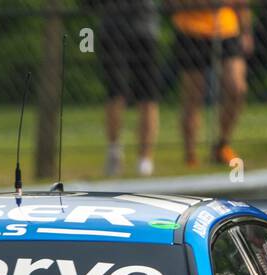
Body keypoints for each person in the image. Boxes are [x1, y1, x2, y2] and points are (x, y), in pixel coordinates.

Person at [170, 0, 253, 168]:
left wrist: (246, 31)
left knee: (237, 88)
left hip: (226, 29)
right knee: (194, 95)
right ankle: (190, 155)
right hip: (192, 30)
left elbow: (241, 3)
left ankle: (222, 145)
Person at [93, 0, 163, 177]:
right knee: (115, 93)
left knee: (148, 96)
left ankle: (145, 160)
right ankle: (114, 151)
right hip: (113, 30)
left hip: (146, 29)